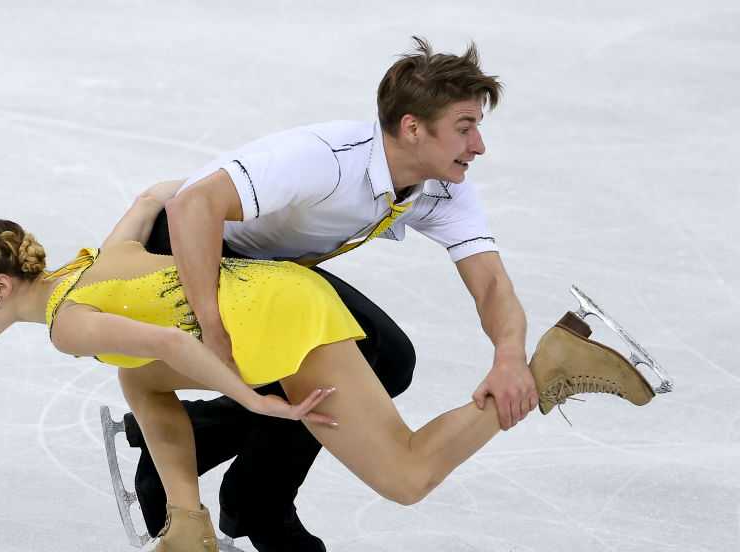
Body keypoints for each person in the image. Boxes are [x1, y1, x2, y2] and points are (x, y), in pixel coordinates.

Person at [0, 204, 659, 551]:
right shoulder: (86, 265)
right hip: (276, 298)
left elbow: (165, 341)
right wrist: (185, 511)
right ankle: (195, 512)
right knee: (148, 384)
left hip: (278, 328)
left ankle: (551, 365)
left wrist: (255, 399)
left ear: (2, 286)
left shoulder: (68, 324)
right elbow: (161, 203)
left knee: (406, 476)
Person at [122, 36, 529, 550]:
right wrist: (212, 326)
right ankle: (258, 503)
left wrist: (510, 355)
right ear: (412, 128)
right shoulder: (327, 158)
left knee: (389, 361)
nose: (478, 146)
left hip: (267, 271)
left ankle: (206, 443)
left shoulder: (441, 185)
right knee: (364, 352)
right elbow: (191, 207)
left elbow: (490, 282)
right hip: (186, 252)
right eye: (464, 129)